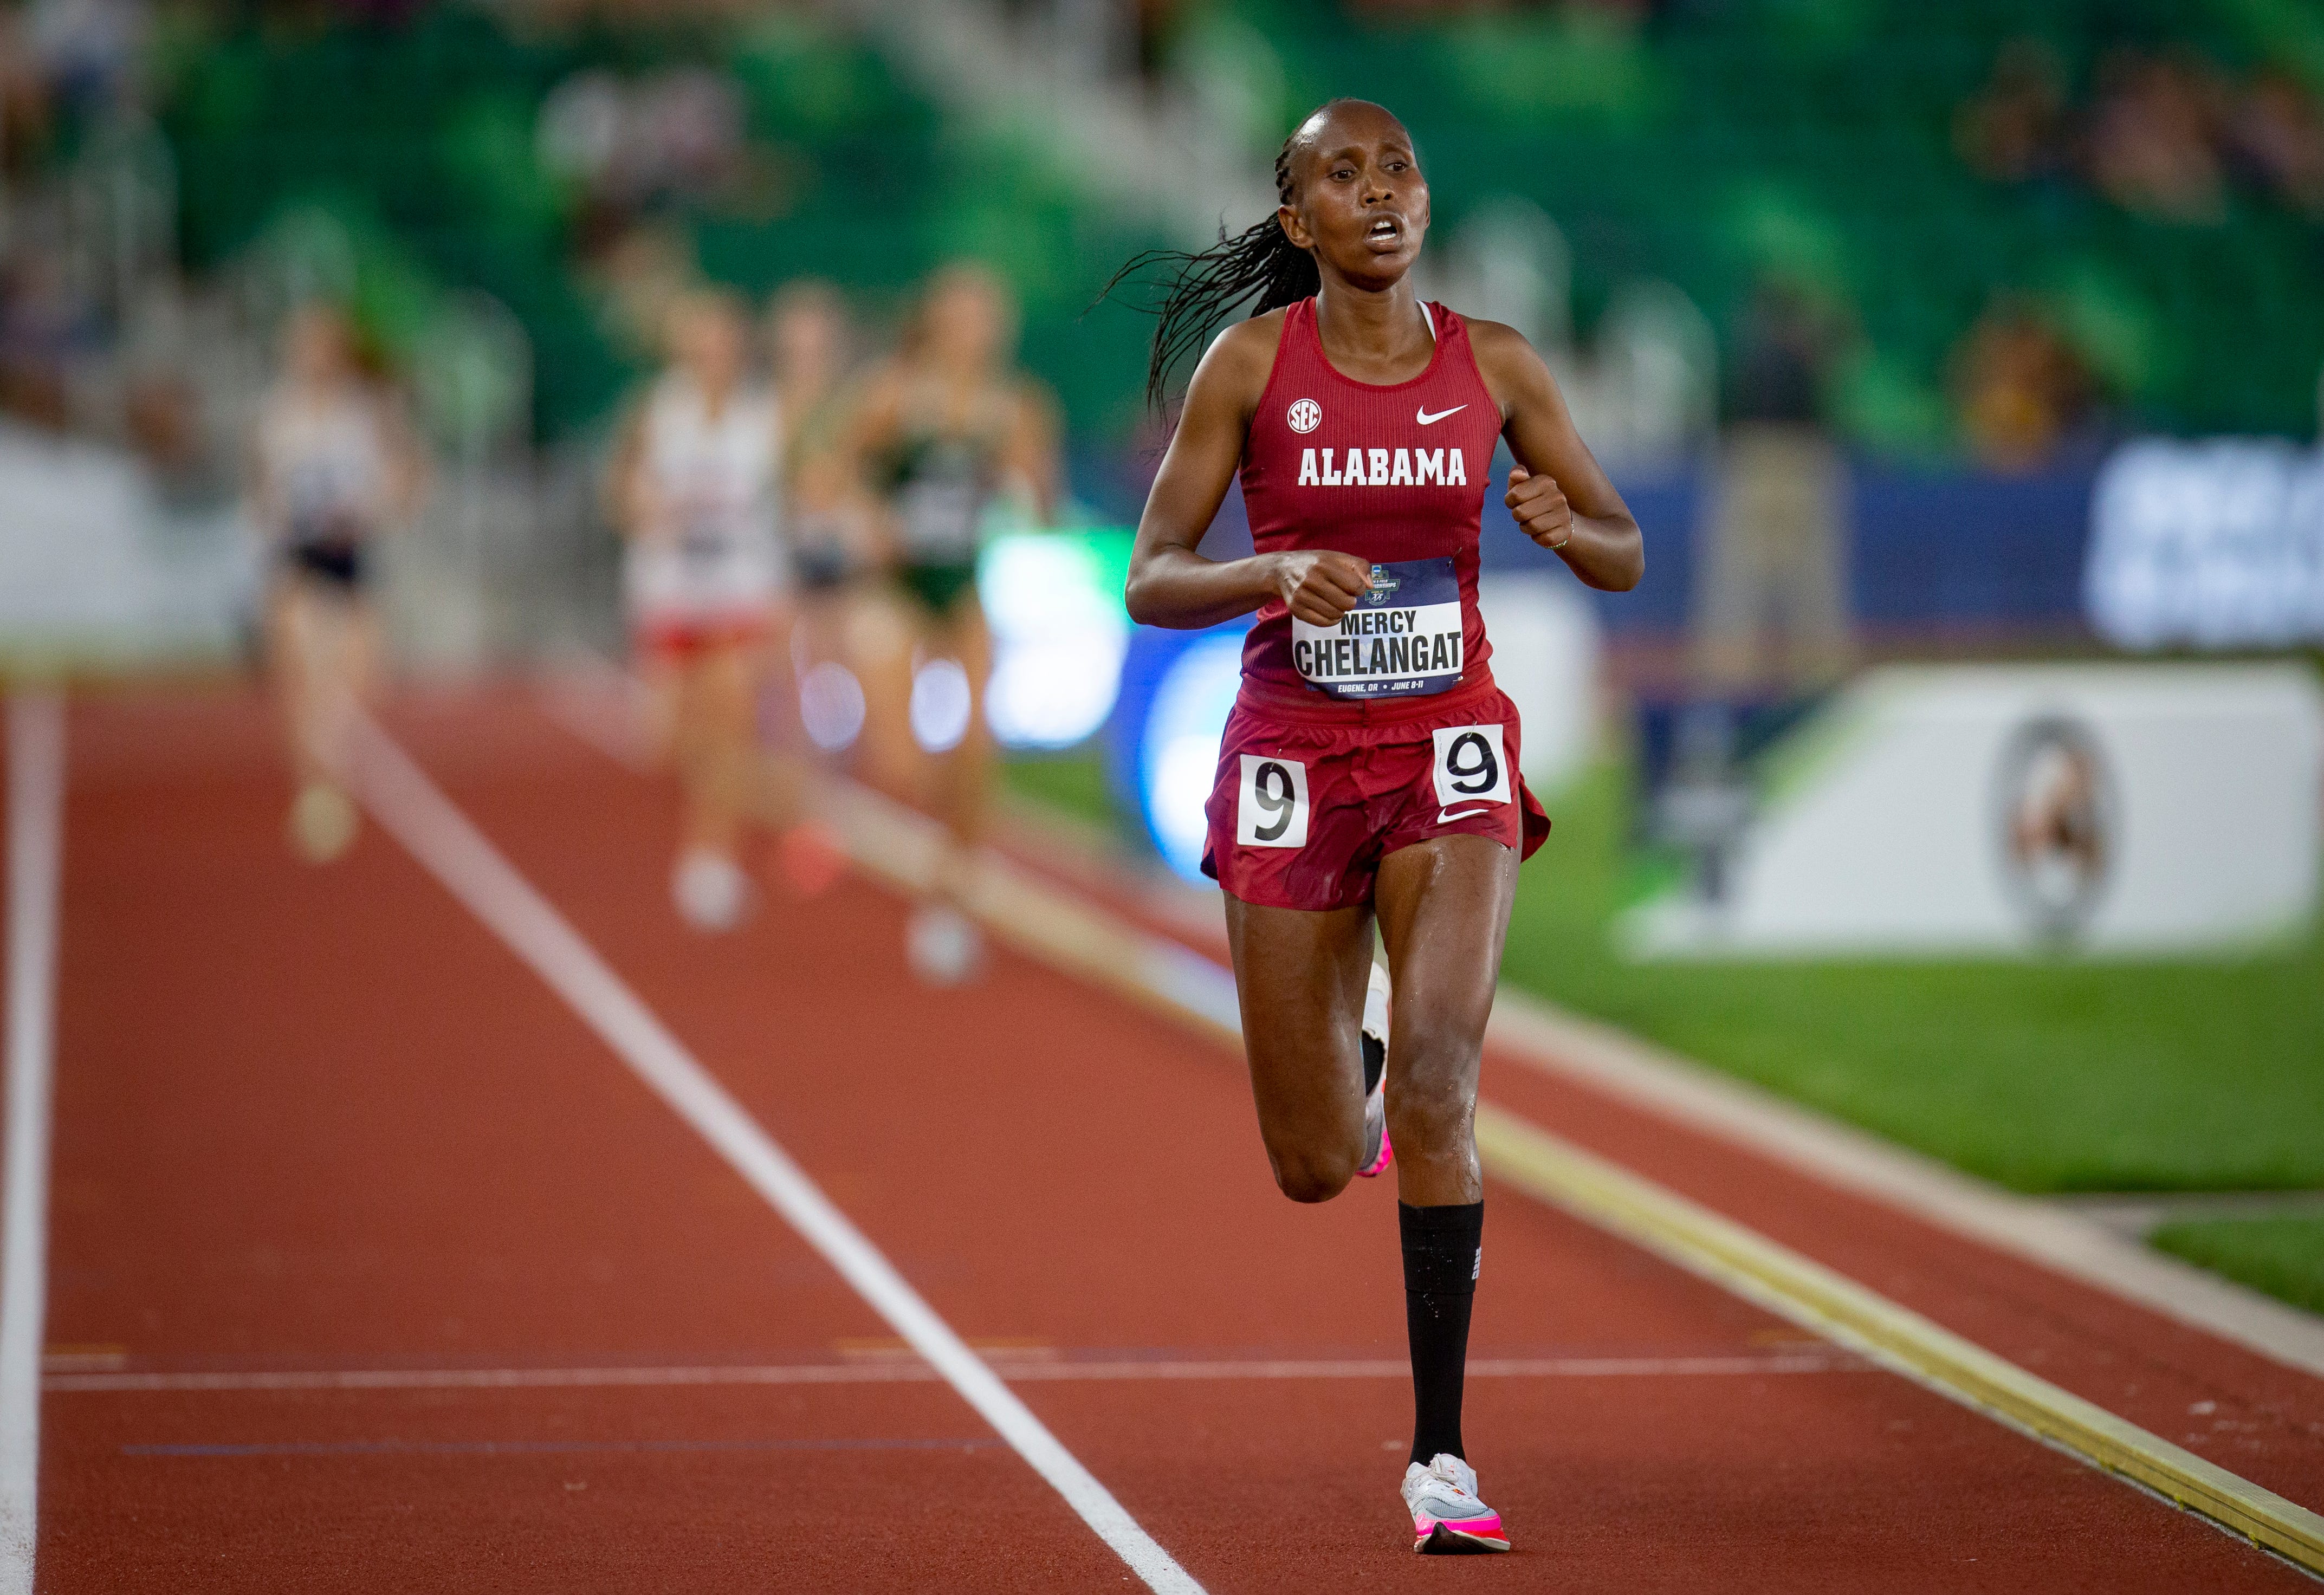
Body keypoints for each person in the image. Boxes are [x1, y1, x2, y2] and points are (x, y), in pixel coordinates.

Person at [1115, 99, 1640, 1553]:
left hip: (1447, 747)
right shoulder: (1249, 367)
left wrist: (1567, 530)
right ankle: (1347, 1072)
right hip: (1291, 753)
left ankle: (1441, 1459)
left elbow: (1621, 546)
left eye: (1398, 165)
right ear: (1300, 222)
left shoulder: (1496, 363)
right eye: (1342, 176)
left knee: (1440, 1083)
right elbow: (1150, 575)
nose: (1381, 191)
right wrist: (1268, 578)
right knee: (1308, 1161)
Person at [841, 263, 1060, 983]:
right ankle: (937, 843)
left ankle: (952, 892)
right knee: (898, 762)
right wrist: (869, 520)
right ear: (936, 322)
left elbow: (1041, 501)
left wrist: (1030, 475)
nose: (977, 332)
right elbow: (832, 468)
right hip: (896, 589)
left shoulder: (1014, 404)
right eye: (964, 317)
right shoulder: (894, 393)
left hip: (962, 583)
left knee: (977, 746)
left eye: (988, 319)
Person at [611, 287, 794, 930]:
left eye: (722, 341)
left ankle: (709, 857)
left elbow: (794, 495)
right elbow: (620, 488)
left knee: (731, 720)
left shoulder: (766, 414)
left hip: (742, 588)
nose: (712, 353)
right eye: (701, 342)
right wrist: (638, 502)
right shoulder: (656, 409)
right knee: (663, 739)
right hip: (671, 590)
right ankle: (708, 825)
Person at [249, 303, 424, 862]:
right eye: (304, 347)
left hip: (351, 556)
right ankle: (316, 787)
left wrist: (388, 498)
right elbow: (260, 488)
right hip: (297, 557)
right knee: (298, 676)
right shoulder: (276, 416)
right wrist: (272, 519)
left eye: (322, 346)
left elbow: (407, 473)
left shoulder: (366, 414)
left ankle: (330, 761)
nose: (313, 358)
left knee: (359, 679)